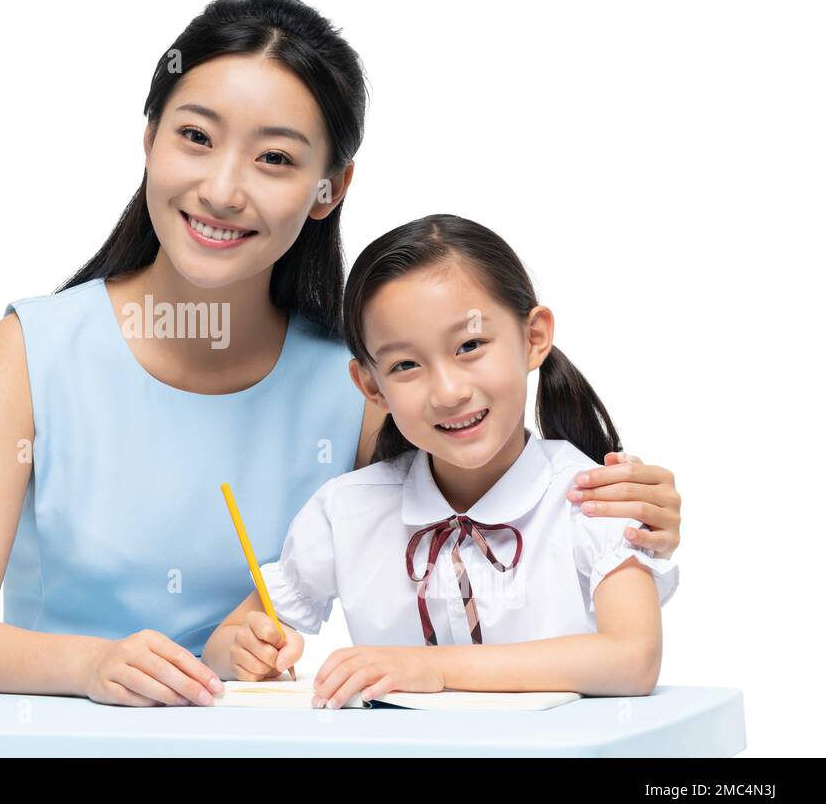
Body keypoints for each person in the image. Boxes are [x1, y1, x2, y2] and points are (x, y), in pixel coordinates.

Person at [0, 0, 684, 708]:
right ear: (149, 141)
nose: (222, 189)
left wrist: (626, 511)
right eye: (195, 138)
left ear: (328, 189)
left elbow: (494, 515)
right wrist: (86, 667)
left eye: (275, 158)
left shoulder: (361, 381)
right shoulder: (29, 352)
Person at [204, 214, 680, 709]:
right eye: (405, 365)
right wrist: (244, 649)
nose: (449, 392)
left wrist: (428, 668)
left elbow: (633, 658)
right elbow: (227, 640)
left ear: (534, 338)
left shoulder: (597, 497)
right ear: (371, 386)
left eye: (470, 345)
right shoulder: (346, 511)